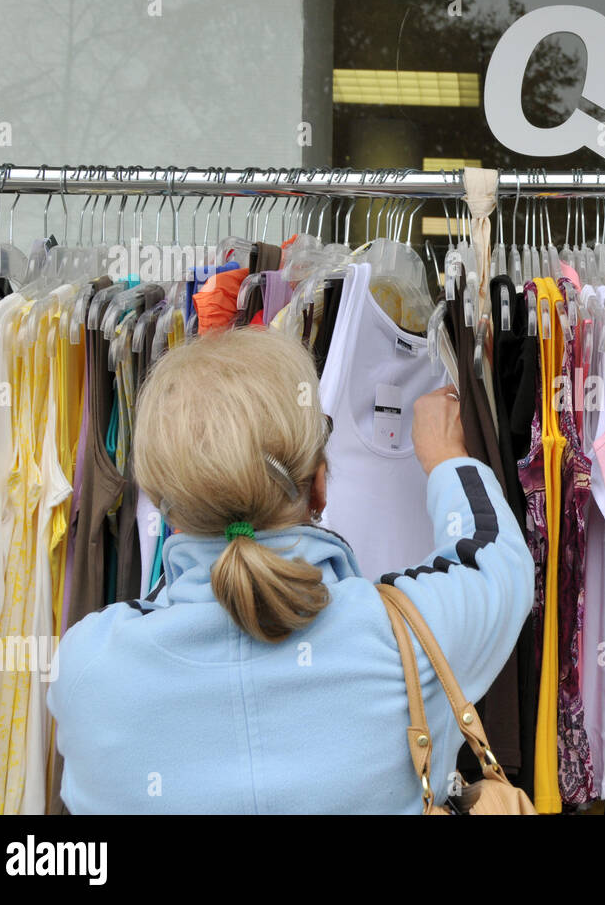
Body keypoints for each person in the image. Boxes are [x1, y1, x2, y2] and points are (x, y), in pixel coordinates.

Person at [47, 327, 534, 814]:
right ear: (319, 485)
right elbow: (499, 561)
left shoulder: (87, 666)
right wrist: (448, 458)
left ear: (166, 510)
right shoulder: (412, 637)